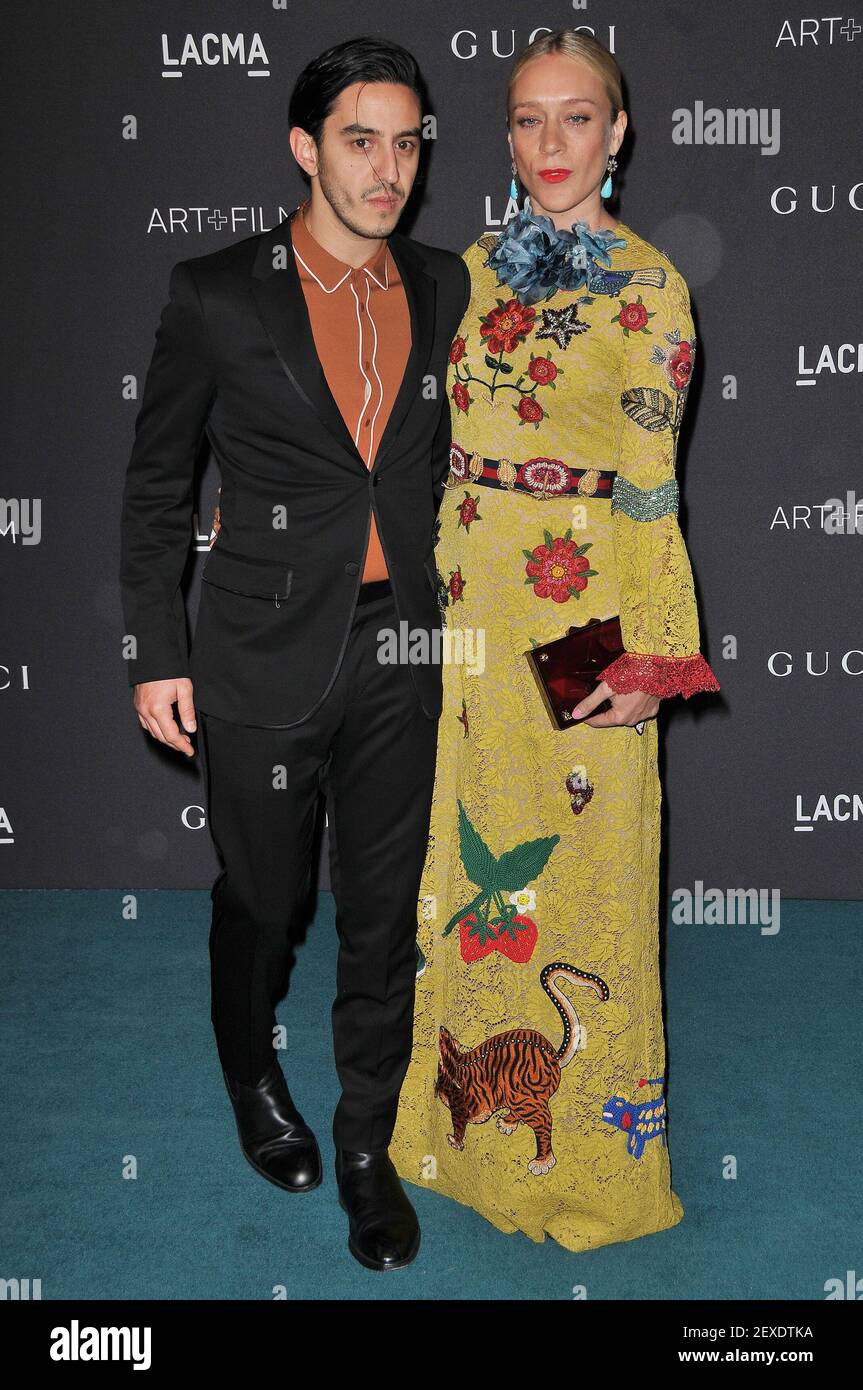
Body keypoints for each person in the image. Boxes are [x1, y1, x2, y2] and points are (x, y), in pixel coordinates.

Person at [119, 35, 470, 1272]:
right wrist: (158, 651)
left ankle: (363, 1141)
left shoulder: (442, 285)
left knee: (380, 917)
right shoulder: (217, 292)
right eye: (362, 140)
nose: (389, 169)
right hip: (259, 649)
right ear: (304, 147)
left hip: (403, 647)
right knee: (267, 902)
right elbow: (159, 483)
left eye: (408, 141)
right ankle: (247, 1065)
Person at [388, 29, 720, 1252]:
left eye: (574, 118)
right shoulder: (470, 267)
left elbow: (649, 489)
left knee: (579, 873)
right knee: (472, 865)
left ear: (616, 132)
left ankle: (587, 1157)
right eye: (526, 119)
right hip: (470, 597)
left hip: (580, 609)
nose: (547, 145)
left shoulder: (648, 289)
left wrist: (649, 655)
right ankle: (451, 1129)